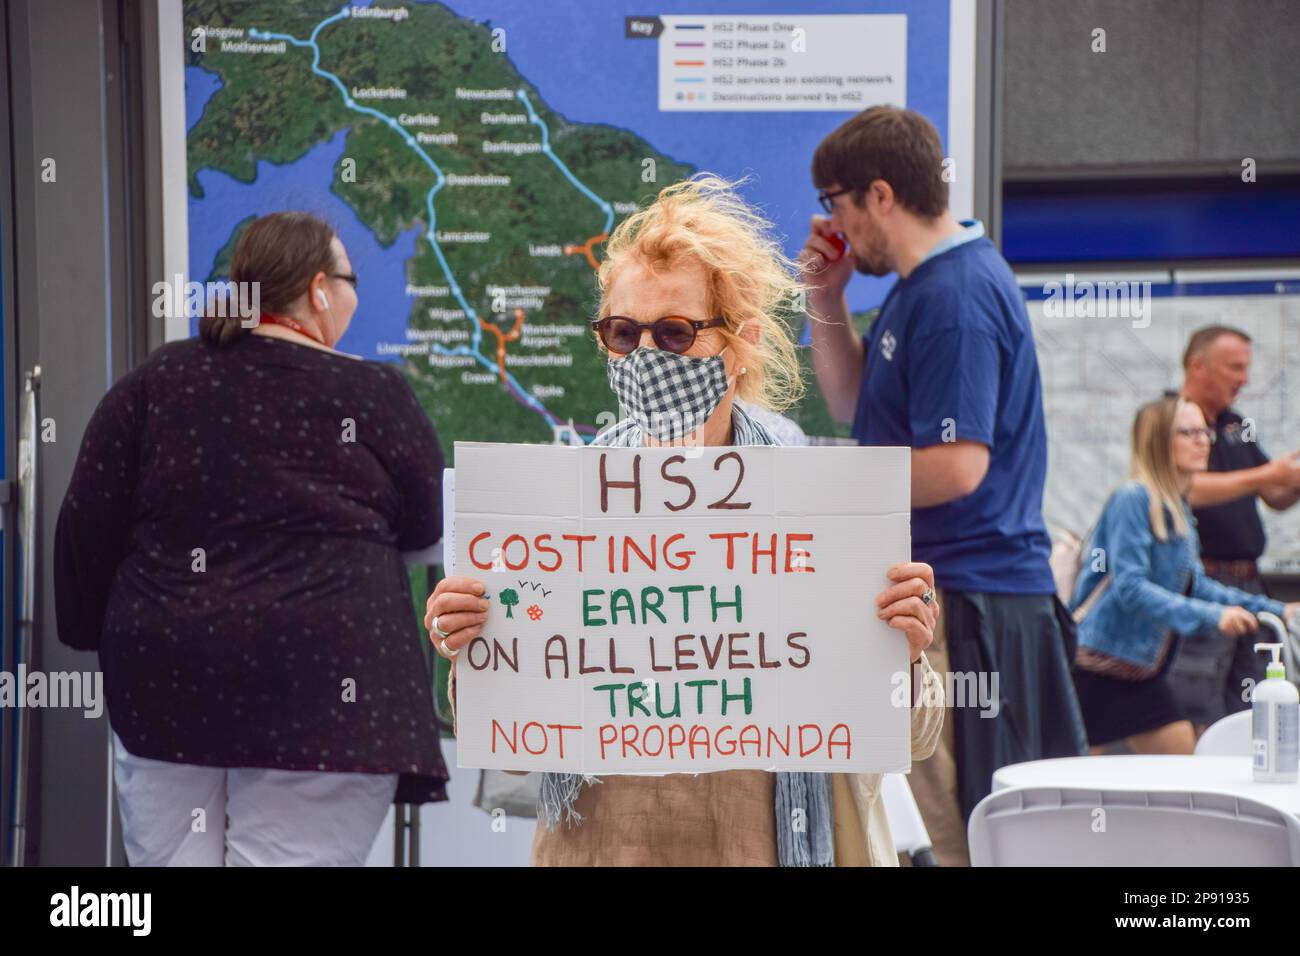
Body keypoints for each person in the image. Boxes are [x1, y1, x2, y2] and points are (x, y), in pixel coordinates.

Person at [426, 174, 946, 866]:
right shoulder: (562, 508)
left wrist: (904, 654)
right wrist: (470, 646)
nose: (645, 356)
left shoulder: (822, 503)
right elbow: (512, 737)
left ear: (739, 345)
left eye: (674, 333)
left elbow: (911, 734)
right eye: (621, 332)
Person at [55, 211, 447, 866]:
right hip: (329, 697)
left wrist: (113, 635)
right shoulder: (376, 394)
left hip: (166, 684)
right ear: (320, 290)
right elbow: (429, 530)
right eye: (351, 281)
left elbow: (84, 529)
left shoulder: (157, 381)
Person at [801, 105, 1086, 866]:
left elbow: (959, 465)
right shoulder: (924, 286)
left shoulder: (953, 299)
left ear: (880, 196)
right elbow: (852, 407)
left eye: (835, 202)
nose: (832, 222)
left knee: (938, 837)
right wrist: (825, 300)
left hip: (965, 607)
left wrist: (825, 496)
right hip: (963, 598)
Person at [1070, 397, 1298, 754]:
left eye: (1204, 431)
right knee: (1072, 783)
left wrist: (1273, 608)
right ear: (1160, 441)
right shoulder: (1134, 498)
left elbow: (1196, 584)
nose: (1203, 440)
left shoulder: (1176, 506)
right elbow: (1130, 587)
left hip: (1138, 670)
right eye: (1188, 432)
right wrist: (1213, 617)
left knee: (1179, 772)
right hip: (1098, 665)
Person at [1168, 326, 1300, 732]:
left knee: (1255, 703)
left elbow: (1273, 491)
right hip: (1204, 584)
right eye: (1234, 368)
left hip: (1250, 584)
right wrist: (1267, 472)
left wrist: (1289, 476)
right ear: (1198, 366)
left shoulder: (1236, 424)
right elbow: (1185, 488)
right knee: (1200, 703)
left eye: (1246, 368)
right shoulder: (1169, 422)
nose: (1243, 378)